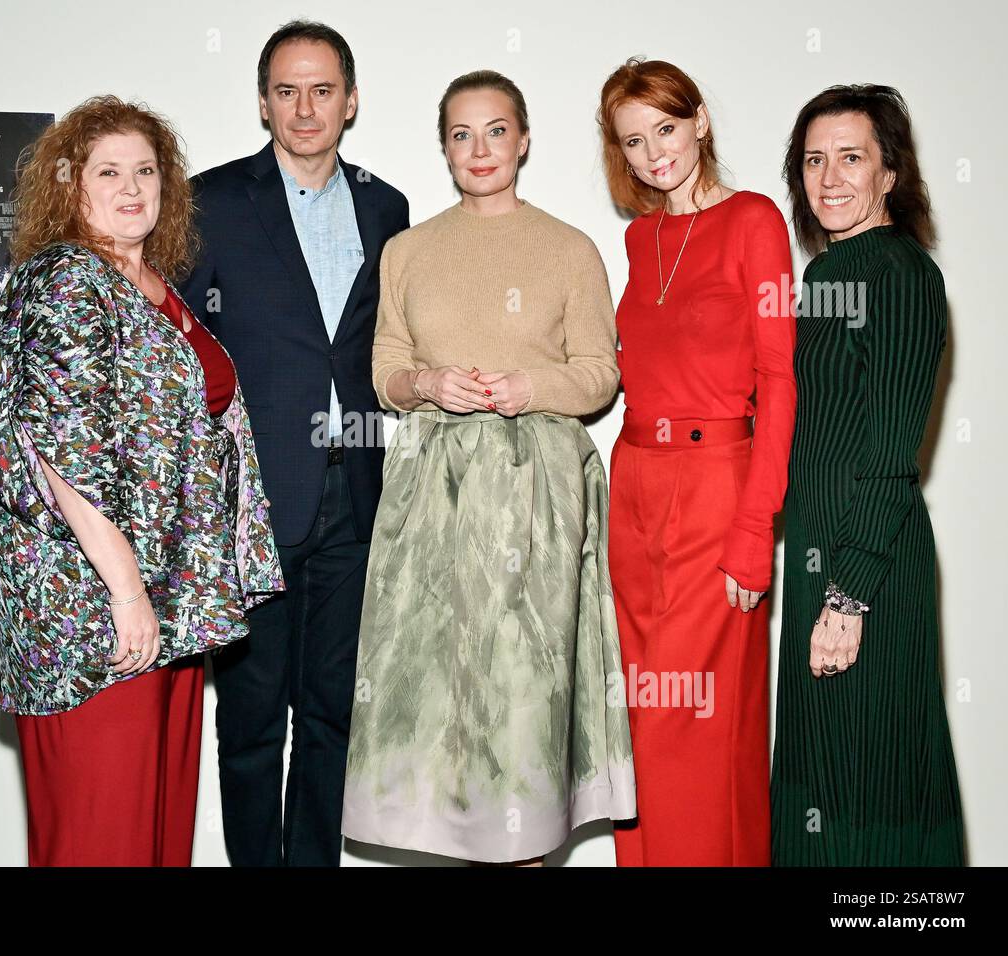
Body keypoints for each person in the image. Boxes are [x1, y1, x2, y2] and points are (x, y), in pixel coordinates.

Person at [0, 94, 282, 866]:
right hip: (92, 616)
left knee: (153, 838)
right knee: (100, 838)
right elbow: (57, 451)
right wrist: (126, 592)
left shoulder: (151, 283)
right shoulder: (68, 280)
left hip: (164, 609)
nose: (131, 187)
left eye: (146, 170)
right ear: (69, 184)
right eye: (108, 171)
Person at [340, 70, 636, 866]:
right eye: (462, 134)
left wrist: (527, 387)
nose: (480, 149)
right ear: (443, 147)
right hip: (430, 488)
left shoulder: (569, 249)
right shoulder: (407, 251)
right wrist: (427, 384)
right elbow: (385, 369)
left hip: (537, 487)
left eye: (496, 130)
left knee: (521, 696)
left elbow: (600, 374)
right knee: (437, 693)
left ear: (525, 139)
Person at [178, 20, 408, 867]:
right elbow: (181, 346)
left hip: (355, 494)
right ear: (263, 102)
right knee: (249, 718)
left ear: (351, 101)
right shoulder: (209, 201)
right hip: (254, 504)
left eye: (322, 90)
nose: (304, 108)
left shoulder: (389, 206)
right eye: (286, 90)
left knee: (331, 713)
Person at [596, 57, 797, 865]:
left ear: (701, 121)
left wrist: (757, 528)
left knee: (700, 730)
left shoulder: (754, 221)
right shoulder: (639, 238)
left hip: (719, 489)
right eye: (634, 141)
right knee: (640, 723)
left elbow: (780, 383)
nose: (654, 155)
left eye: (666, 129)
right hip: (635, 487)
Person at [771, 84, 964, 865]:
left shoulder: (902, 275)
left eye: (852, 157)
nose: (830, 178)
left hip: (868, 572)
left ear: (891, 173)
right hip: (821, 562)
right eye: (814, 160)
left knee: (872, 792)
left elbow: (891, 455)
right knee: (824, 785)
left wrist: (847, 597)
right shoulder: (826, 278)